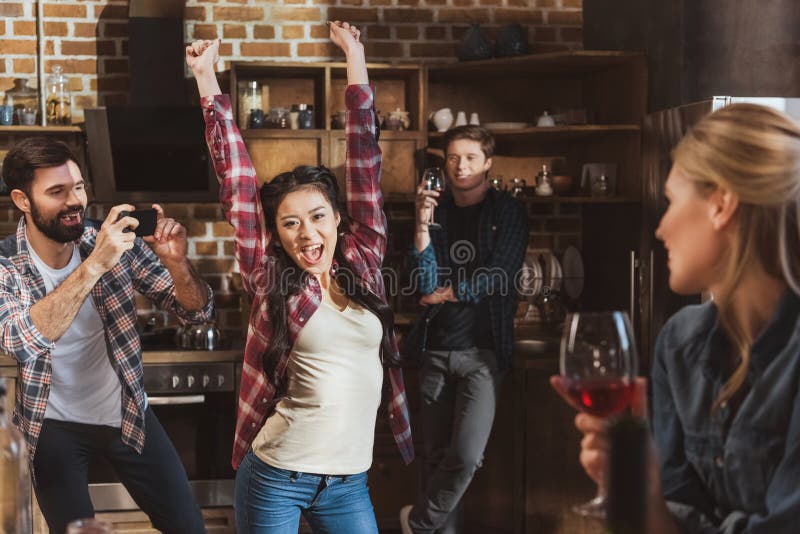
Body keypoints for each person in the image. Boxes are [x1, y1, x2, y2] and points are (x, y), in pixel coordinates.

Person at [186, 21, 414, 533]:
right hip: (275, 477)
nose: (306, 234)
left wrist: (355, 56)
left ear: (338, 218)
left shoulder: (364, 263)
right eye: (290, 223)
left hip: (347, 482)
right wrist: (206, 78)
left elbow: (364, 160)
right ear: (278, 234)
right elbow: (239, 184)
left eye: (317, 217)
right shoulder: (270, 277)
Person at [553, 103, 800, 533]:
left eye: (669, 201)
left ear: (721, 203)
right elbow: (673, 517)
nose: (661, 228)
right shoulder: (679, 343)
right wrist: (641, 494)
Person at [0, 137, 215, 533]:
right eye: (56, 191)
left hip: (127, 411)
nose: (74, 201)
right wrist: (95, 264)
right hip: (53, 426)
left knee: (189, 527)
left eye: (78, 187)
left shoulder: (114, 242)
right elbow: (22, 340)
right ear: (22, 200)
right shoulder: (6, 265)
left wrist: (177, 263)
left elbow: (197, 312)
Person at [401, 125, 529, 533]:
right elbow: (424, 282)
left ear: (488, 163)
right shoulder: (436, 211)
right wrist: (421, 223)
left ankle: (418, 524)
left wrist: (451, 291)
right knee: (435, 458)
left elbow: (502, 273)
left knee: (467, 456)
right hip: (434, 349)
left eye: (471, 157)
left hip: (483, 354)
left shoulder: (507, 211)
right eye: (453, 158)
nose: (461, 166)